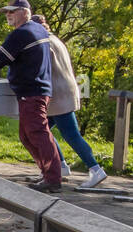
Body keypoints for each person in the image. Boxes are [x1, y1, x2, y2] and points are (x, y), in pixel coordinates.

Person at [0, 0, 61, 192]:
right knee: (27, 135)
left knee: (37, 133)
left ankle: (52, 178)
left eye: (11, 11)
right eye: (6, 12)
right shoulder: (38, 29)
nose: (8, 15)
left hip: (32, 92)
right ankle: (48, 175)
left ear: (25, 13)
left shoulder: (21, 34)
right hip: (38, 90)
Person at [31, 15, 107, 189]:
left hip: (57, 94)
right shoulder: (55, 39)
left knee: (71, 134)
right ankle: (61, 165)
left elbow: (42, 69)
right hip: (65, 90)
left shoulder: (43, 44)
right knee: (43, 131)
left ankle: (95, 168)